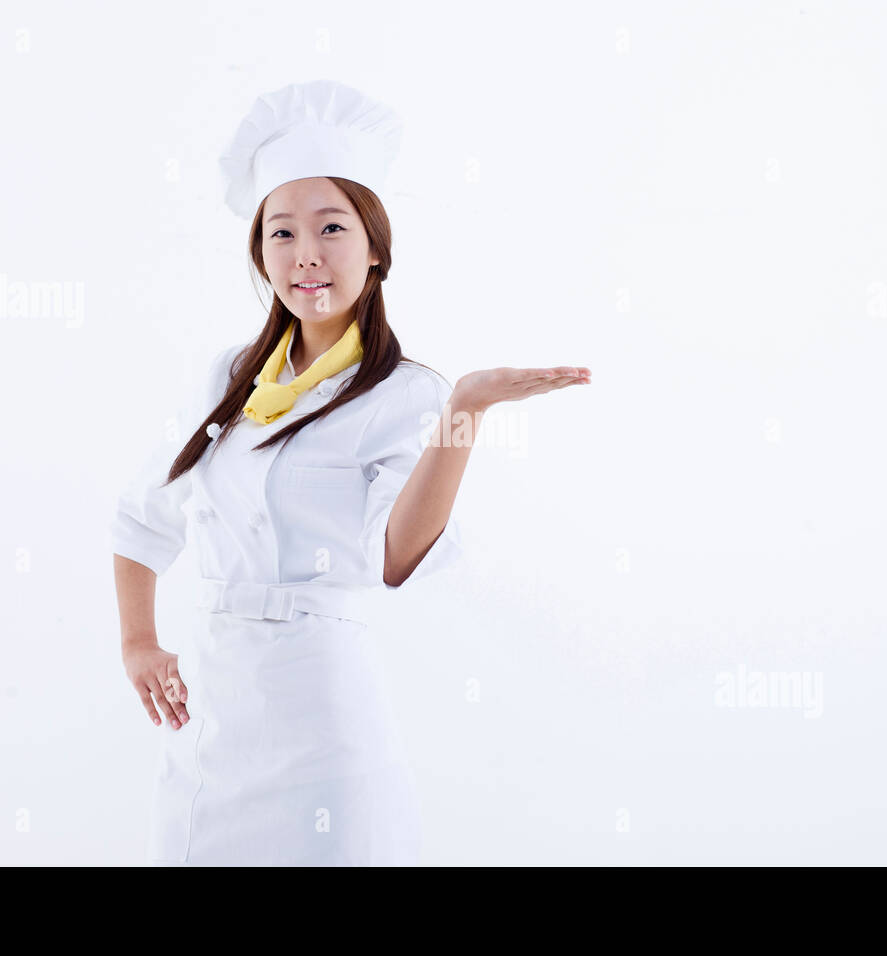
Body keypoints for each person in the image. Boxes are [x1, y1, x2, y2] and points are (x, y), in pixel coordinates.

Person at [110, 80, 590, 865]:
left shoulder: (408, 396)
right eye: (281, 233)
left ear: (375, 247)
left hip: (319, 723)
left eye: (331, 228)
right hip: (209, 725)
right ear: (260, 253)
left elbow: (397, 555)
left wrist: (466, 409)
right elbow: (142, 519)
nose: (306, 255)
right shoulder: (228, 377)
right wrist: (138, 643)